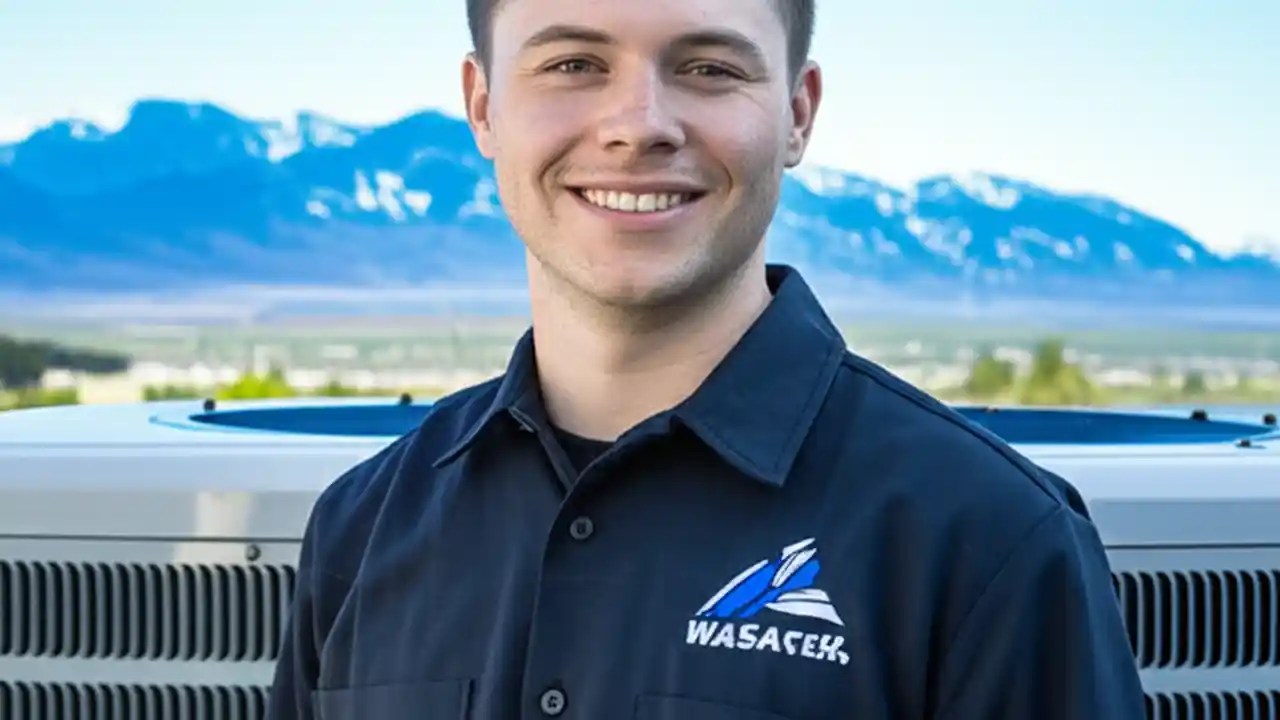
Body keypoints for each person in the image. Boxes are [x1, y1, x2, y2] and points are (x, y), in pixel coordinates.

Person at [268, 0, 1147, 717]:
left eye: (709, 68)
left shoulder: (989, 539)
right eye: (573, 63)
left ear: (798, 114)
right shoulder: (363, 525)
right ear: (484, 106)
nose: (639, 125)